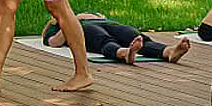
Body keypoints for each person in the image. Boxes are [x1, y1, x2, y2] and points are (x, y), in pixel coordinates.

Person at [43, 13, 191, 64]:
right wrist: (73, 21)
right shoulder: (56, 26)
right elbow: (53, 42)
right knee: (103, 40)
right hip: (85, 29)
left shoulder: (88, 14)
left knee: (134, 36)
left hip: (108, 24)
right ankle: (124, 53)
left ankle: (169, 51)